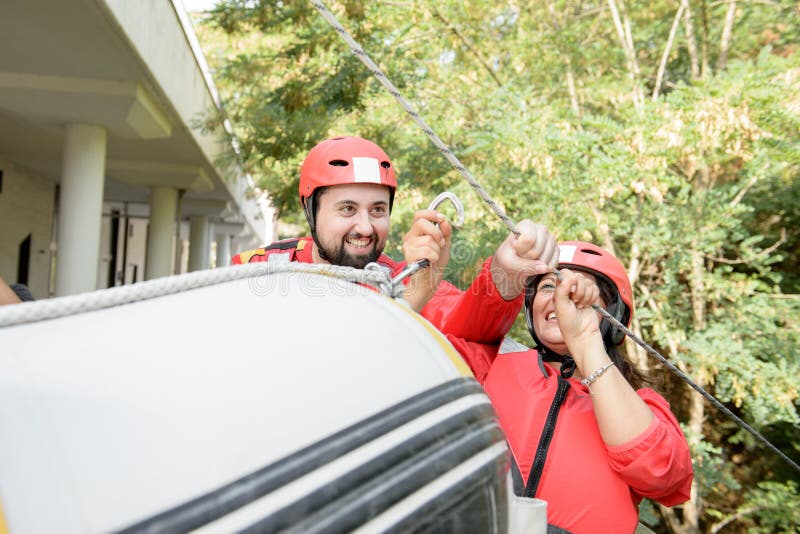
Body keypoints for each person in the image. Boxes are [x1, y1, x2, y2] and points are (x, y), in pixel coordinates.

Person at [448, 241, 693, 533]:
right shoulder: (488, 360)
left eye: (583, 291)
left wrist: (586, 339)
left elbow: (662, 474)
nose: (561, 298)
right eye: (549, 287)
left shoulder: (641, 404)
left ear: (613, 317)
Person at [233, 135, 559, 344]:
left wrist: (507, 270)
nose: (364, 227)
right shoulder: (261, 269)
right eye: (347, 209)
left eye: (377, 210)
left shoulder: (406, 280)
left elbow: (469, 329)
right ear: (310, 210)